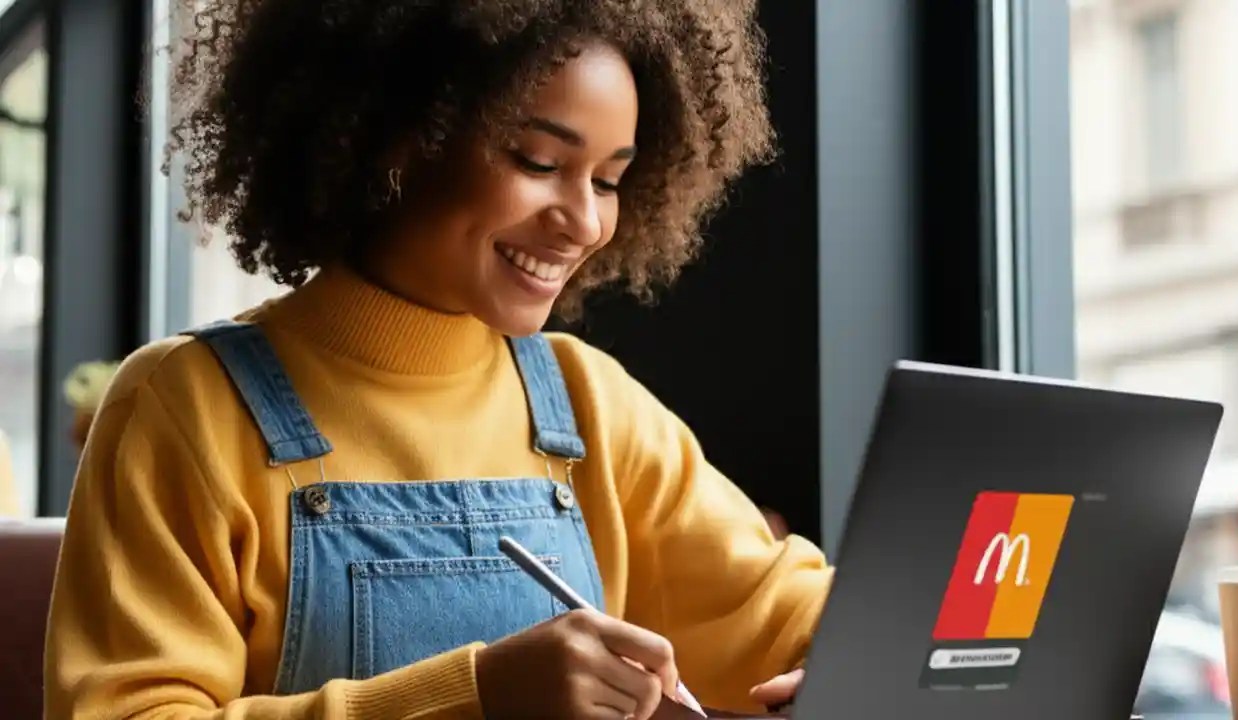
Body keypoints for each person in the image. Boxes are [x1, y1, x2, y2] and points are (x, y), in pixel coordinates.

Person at [44, 1, 834, 718]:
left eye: (608, 180)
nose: (585, 221)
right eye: (537, 162)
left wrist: (847, 654)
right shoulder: (186, 407)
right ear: (397, 134)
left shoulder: (589, 405)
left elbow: (785, 610)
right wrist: (477, 696)